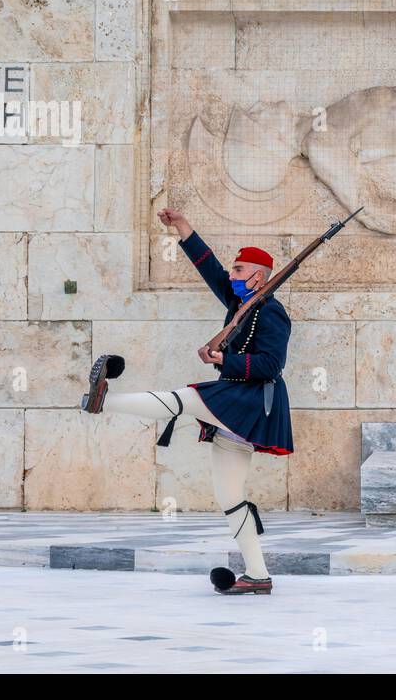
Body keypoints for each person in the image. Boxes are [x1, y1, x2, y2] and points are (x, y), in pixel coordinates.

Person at [79, 207, 294, 595]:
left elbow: (271, 364)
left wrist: (223, 359)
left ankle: (104, 401)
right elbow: (210, 269)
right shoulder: (241, 304)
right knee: (229, 496)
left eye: (240, 270)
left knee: (186, 399)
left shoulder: (273, 312)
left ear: (259, 277)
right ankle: (258, 575)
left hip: (249, 400)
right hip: (238, 408)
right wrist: (182, 228)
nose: (232, 276)